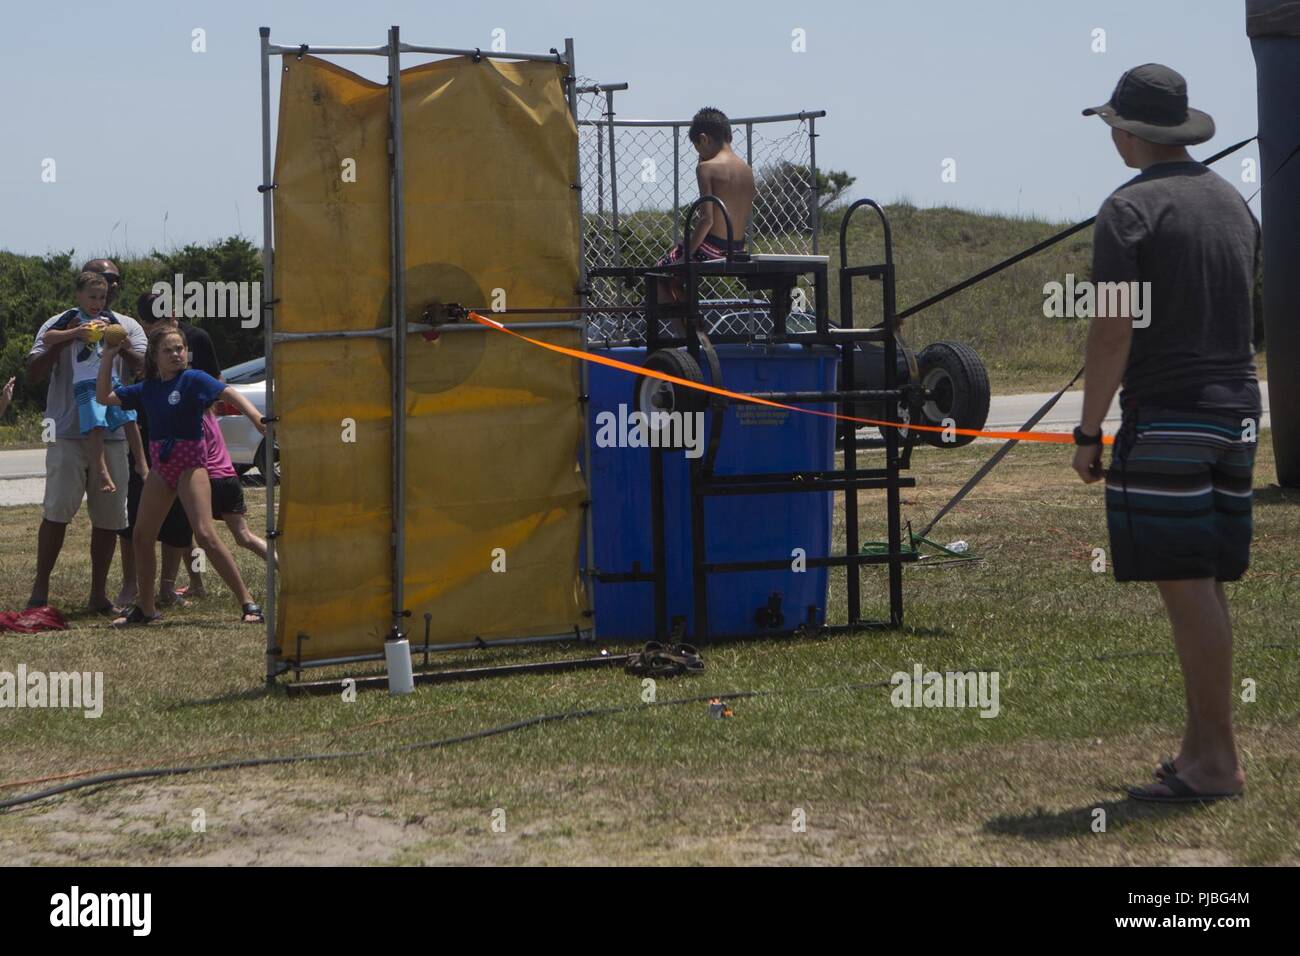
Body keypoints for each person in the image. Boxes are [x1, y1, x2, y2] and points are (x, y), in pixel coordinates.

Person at [1072, 64, 1260, 803]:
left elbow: (1112, 330)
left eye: (1114, 125)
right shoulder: (1232, 203)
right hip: (1238, 412)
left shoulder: (1126, 212)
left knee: (1185, 589)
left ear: (1132, 133)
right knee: (1206, 586)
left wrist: (1089, 431)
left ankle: (1217, 764)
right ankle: (1200, 749)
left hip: (1171, 414)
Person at [96, 327, 265, 626]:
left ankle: (248, 603)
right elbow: (104, 396)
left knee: (204, 534)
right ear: (154, 356)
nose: (176, 355)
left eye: (180, 349)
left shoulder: (193, 379)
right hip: (162, 468)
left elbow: (228, 393)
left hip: (191, 466)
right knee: (141, 535)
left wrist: (255, 417)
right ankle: (145, 610)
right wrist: (108, 356)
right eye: (169, 350)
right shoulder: (147, 387)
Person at [25, 259, 146, 613]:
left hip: (111, 433)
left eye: (113, 284)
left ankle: (98, 594)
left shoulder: (127, 325)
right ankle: (40, 588)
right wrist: (73, 336)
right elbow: (33, 372)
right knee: (57, 511)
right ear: (81, 290)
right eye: (102, 283)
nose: (108, 290)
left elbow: (142, 366)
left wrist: (115, 341)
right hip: (65, 431)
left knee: (109, 518)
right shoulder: (60, 321)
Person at [115, 292, 224, 609]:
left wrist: (212, 439)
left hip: (189, 443)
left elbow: (216, 388)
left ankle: (170, 587)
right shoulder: (134, 344)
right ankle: (132, 587)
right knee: (136, 520)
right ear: (147, 325)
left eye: (173, 313)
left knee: (185, 525)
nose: (172, 321)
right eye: (162, 317)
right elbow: (119, 395)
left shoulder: (196, 340)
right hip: (148, 440)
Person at [654, 107, 754, 305]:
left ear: (704, 139)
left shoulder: (706, 168)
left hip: (711, 248)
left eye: (697, 147)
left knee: (658, 273)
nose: (699, 155)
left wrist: (686, 256)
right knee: (674, 281)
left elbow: (707, 219)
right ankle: (694, 328)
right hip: (737, 248)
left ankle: (687, 332)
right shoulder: (747, 169)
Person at [63, 272, 148, 493]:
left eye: (102, 298)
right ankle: (101, 472)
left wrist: (118, 336)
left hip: (110, 379)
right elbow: (48, 338)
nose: (97, 303)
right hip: (85, 381)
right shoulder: (73, 317)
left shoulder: (107, 318)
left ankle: (142, 464)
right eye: (92, 297)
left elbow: (126, 343)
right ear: (79, 296)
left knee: (130, 417)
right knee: (96, 425)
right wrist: (74, 332)